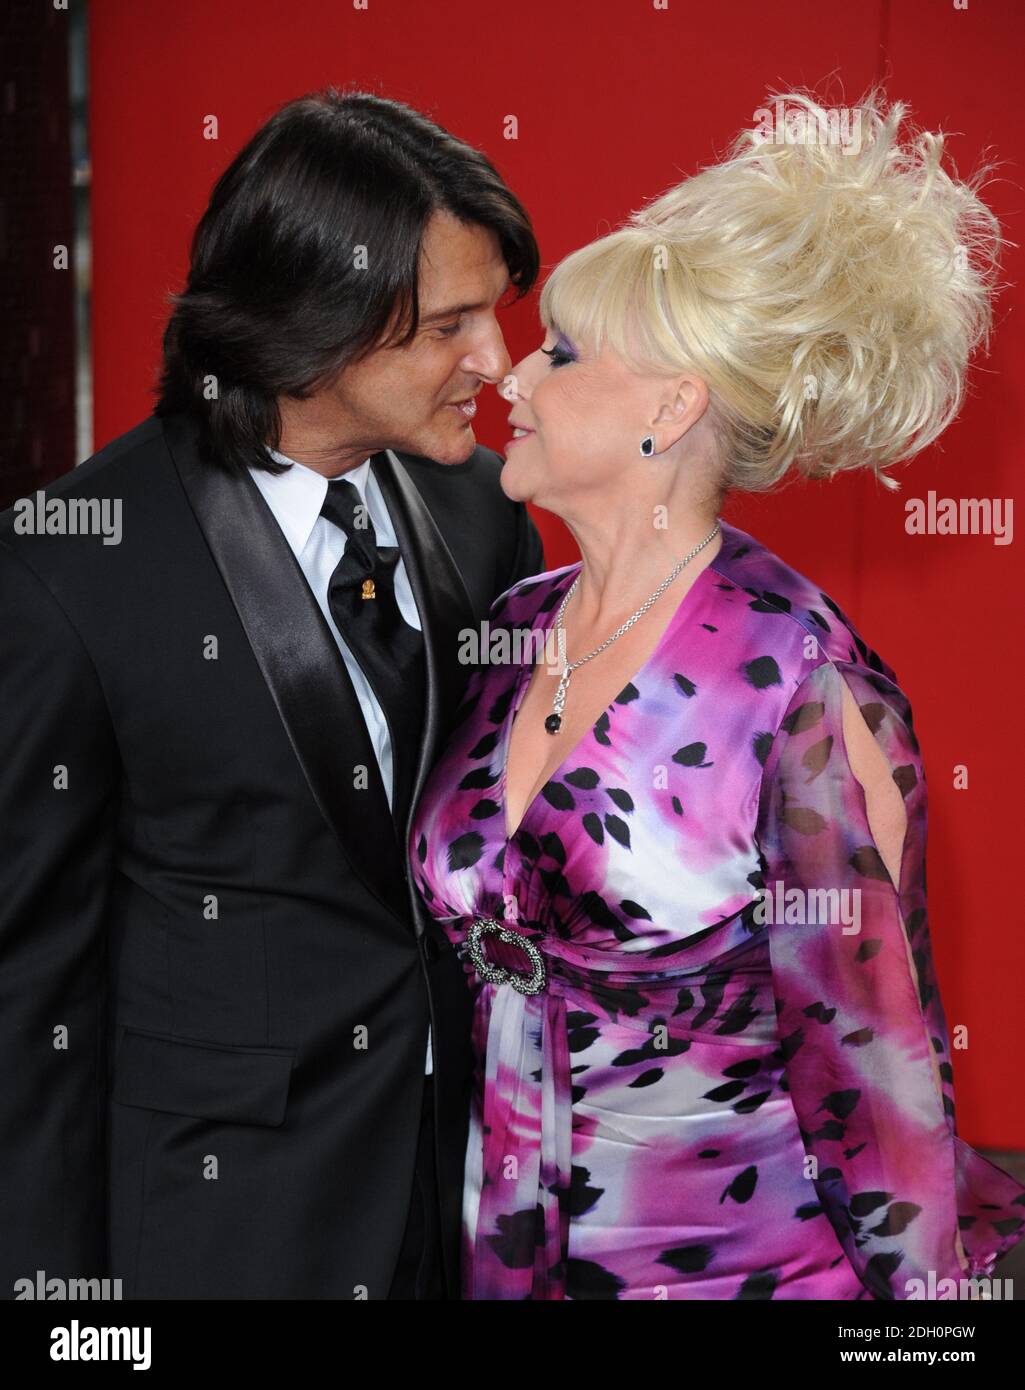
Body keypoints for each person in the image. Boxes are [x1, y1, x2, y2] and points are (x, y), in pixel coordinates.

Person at [409, 89, 1025, 1299]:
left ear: (668, 409)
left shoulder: (802, 691)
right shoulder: (511, 627)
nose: (510, 376)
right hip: (500, 1260)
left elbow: (875, 1088)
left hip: (741, 1273)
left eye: (561, 354)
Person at [0, 88, 544, 1300]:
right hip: (222, 1228)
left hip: (462, 1200)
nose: (494, 361)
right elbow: (27, 992)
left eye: (492, 316)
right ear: (318, 324)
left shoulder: (484, 511)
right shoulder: (68, 569)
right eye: (450, 324)